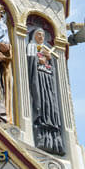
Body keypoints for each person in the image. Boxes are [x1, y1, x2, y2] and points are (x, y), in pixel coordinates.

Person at [26, 27, 65, 156]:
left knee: (52, 108)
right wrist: (38, 60)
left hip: (48, 81)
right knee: (41, 105)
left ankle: (55, 140)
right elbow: (30, 63)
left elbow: (52, 68)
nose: (41, 37)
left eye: (43, 35)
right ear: (33, 36)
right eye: (38, 34)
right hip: (38, 79)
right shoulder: (32, 47)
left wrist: (49, 58)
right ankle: (42, 137)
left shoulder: (47, 49)